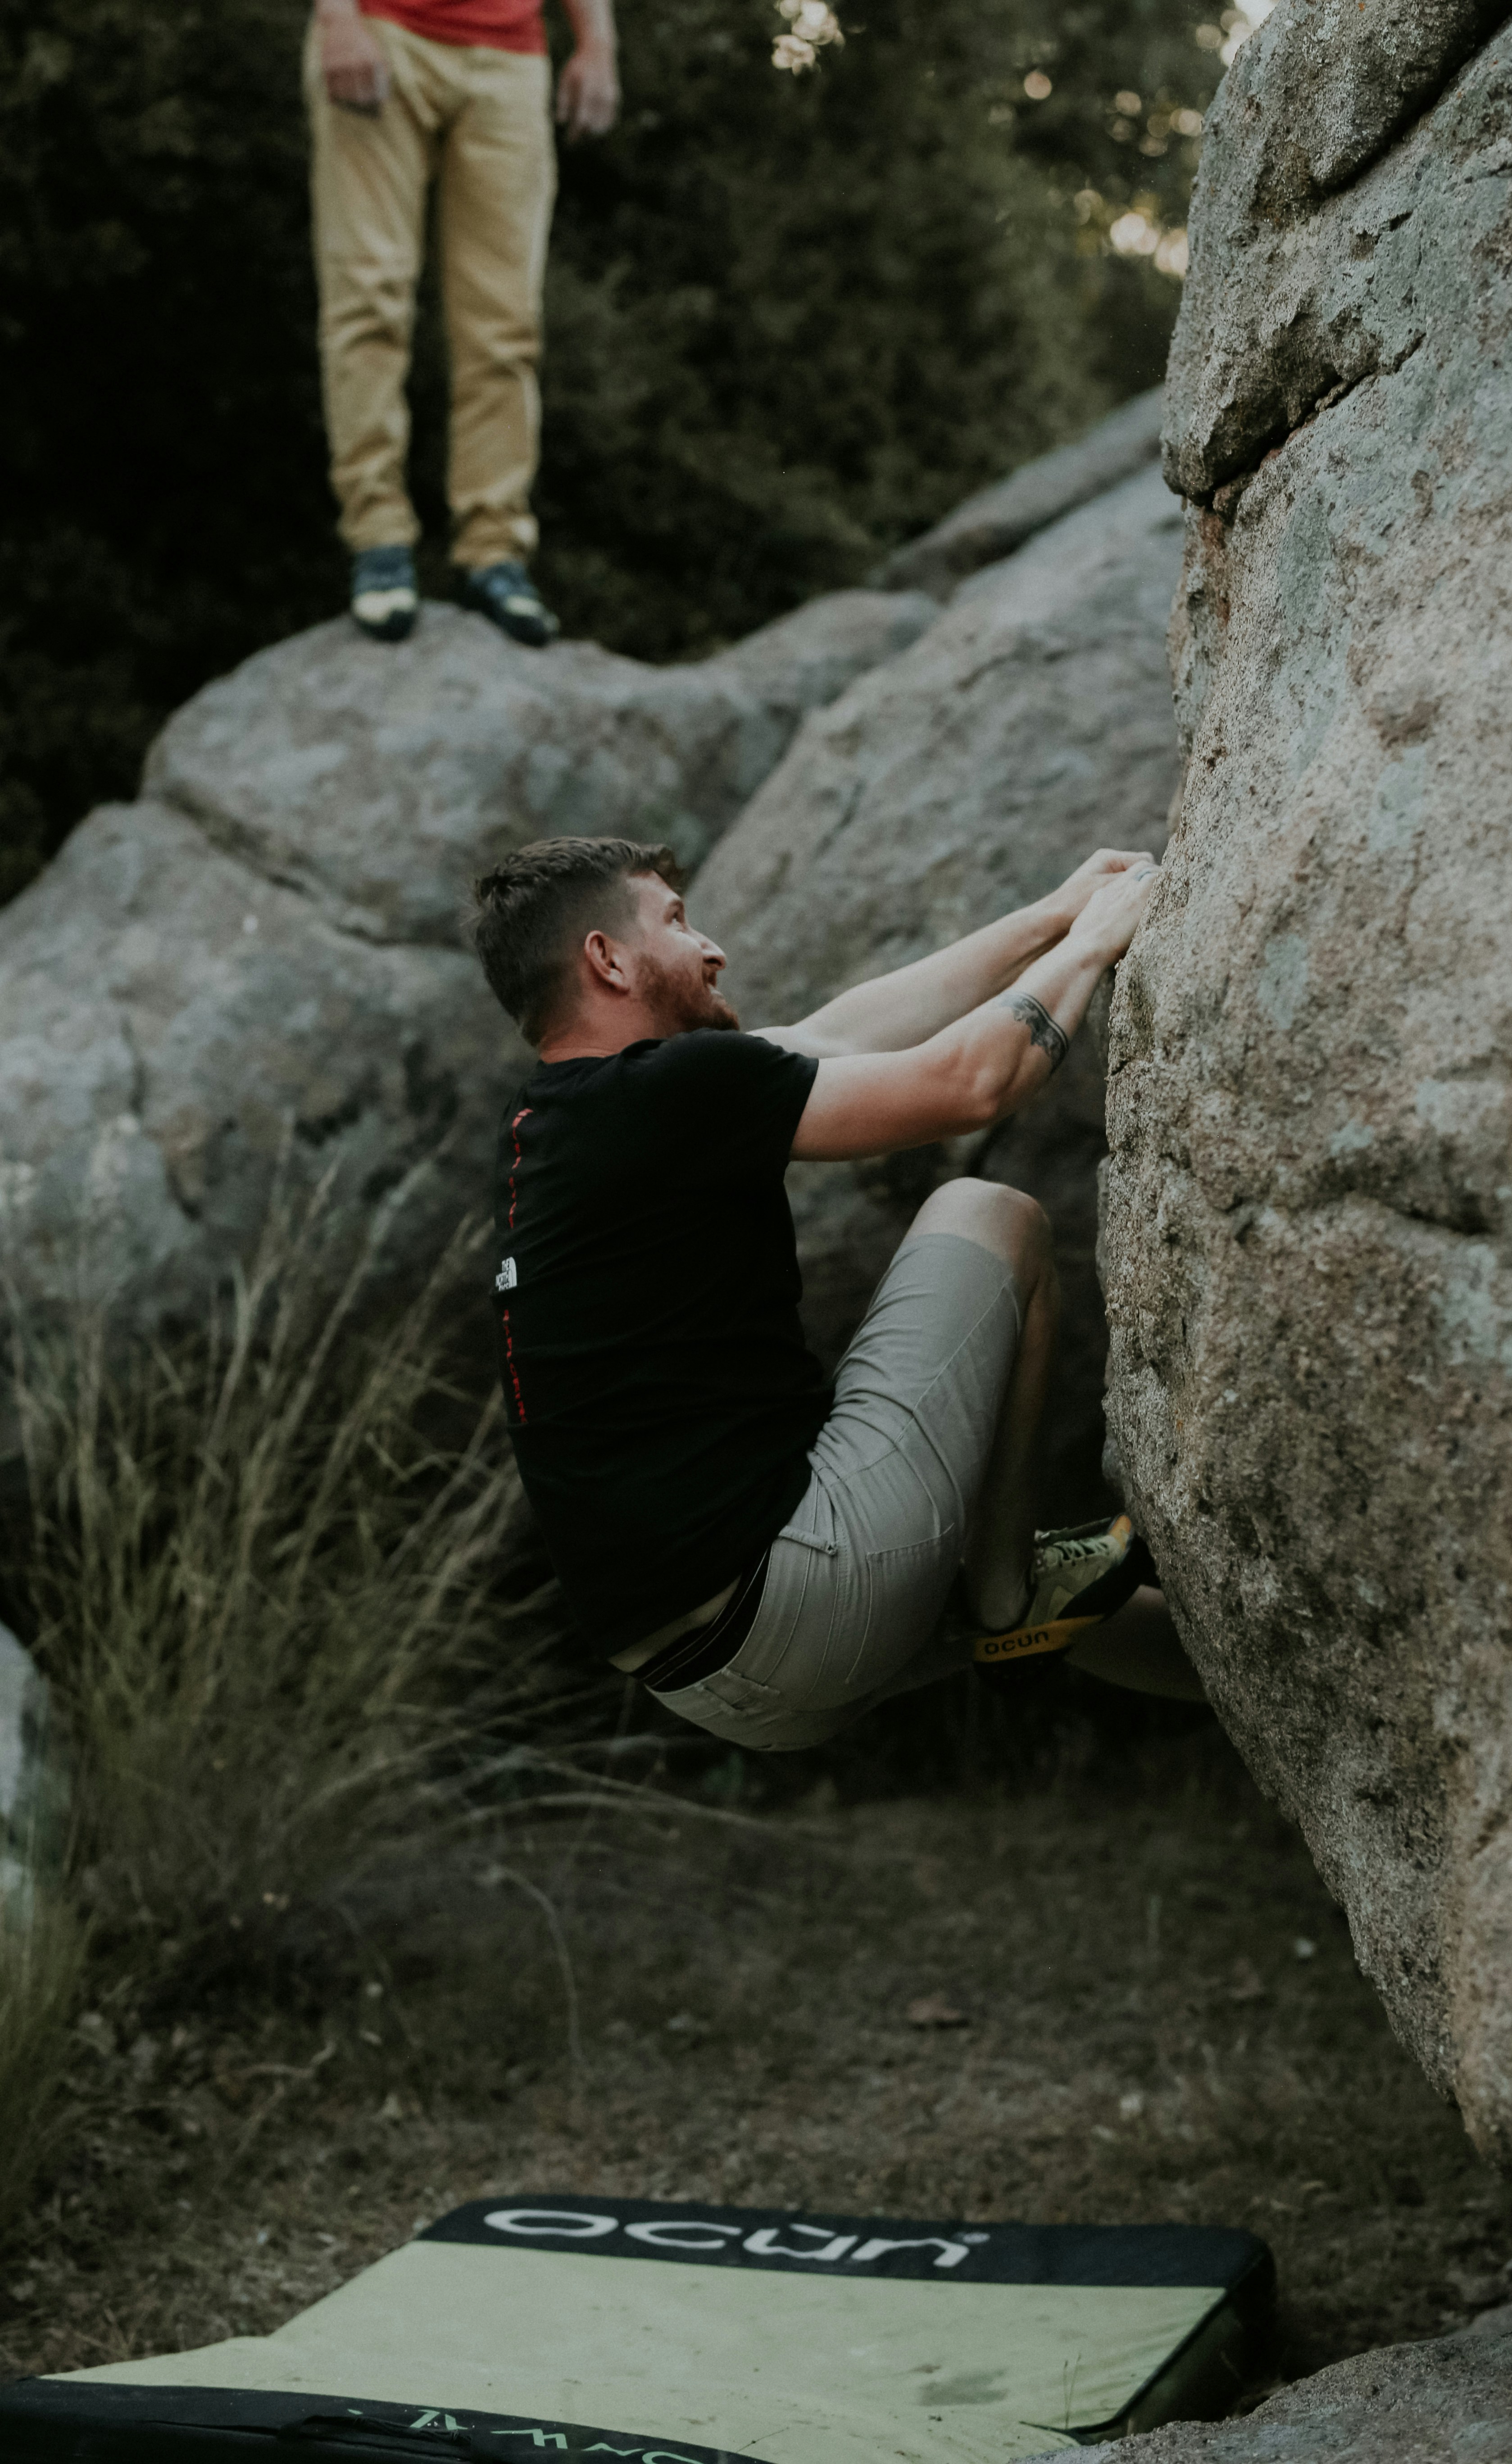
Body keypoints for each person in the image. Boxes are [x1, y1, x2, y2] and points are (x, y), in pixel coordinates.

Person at [472, 835, 1203, 1751]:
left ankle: (1266, 1702)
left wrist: (1050, 914)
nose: (712, 949)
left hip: (706, 1674)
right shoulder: (669, 1093)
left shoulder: (561, 1126)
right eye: (676, 921)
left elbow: (836, 1034)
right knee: (990, 1213)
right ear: (607, 959)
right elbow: (974, 1082)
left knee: (1071, 1610)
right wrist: (1095, 941)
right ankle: (1011, 1594)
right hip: (792, 1601)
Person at [307, 0, 619, 647]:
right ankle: (379, 541)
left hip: (512, 57)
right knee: (370, 301)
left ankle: (494, 553)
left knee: (505, 328)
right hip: (382, 32)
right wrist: (338, 20)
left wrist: (598, 42)